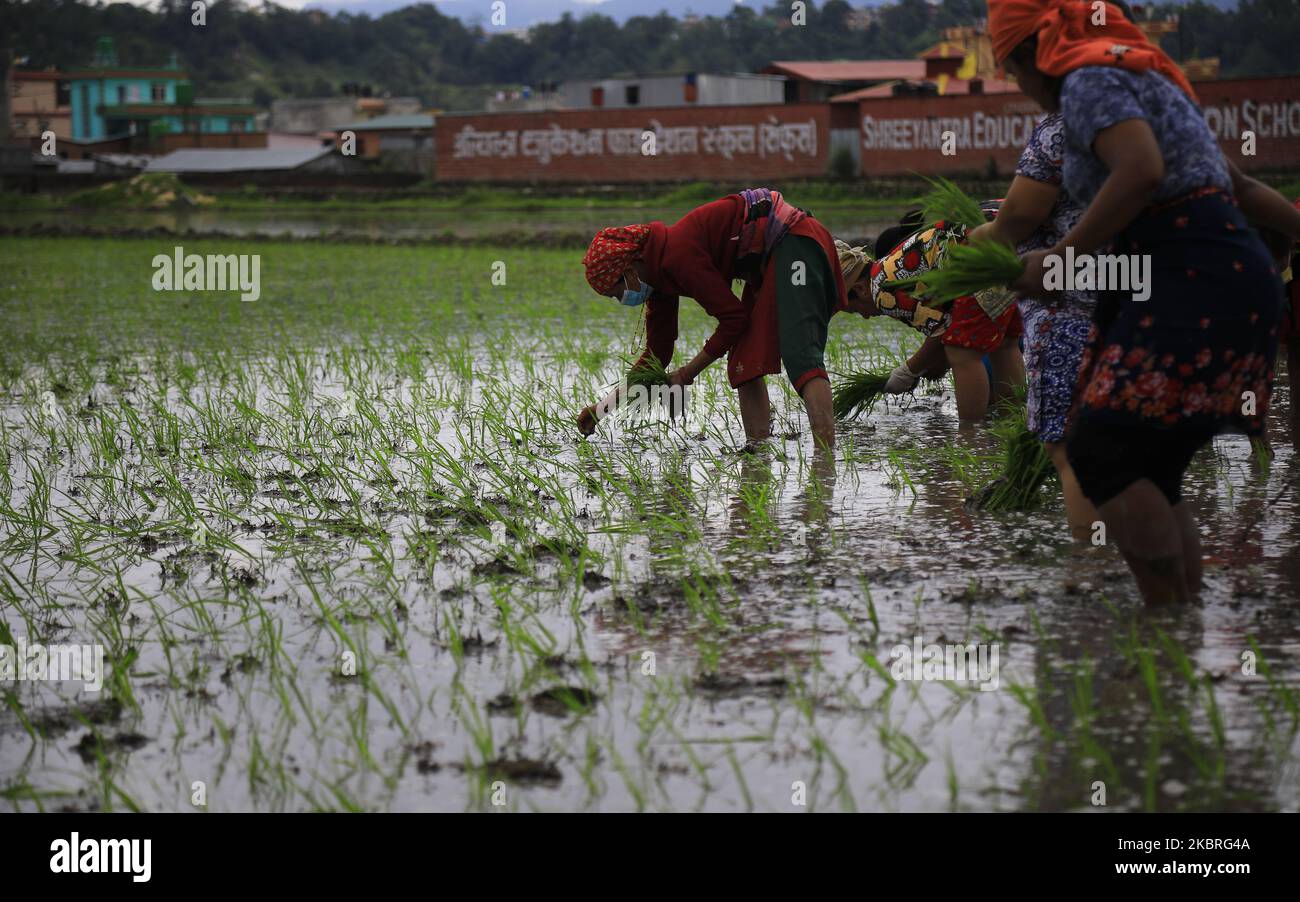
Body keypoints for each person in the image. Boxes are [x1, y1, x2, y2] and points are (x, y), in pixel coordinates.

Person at [989, 0, 1300, 603]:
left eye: (1011, 70)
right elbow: (1242, 187)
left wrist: (1058, 259)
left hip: (1195, 277)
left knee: (1099, 451)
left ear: (1033, 54)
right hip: (1233, 277)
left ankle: (1165, 617)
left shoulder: (1087, 82)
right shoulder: (1139, 79)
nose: (1019, 86)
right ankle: (1176, 628)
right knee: (1152, 464)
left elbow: (1141, 172)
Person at [575, 188, 847, 448]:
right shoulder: (659, 282)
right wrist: (602, 409)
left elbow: (734, 319)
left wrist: (686, 373)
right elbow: (656, 356)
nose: (620, 300)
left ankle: (825, 459)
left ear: (630, 270)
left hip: (795, 242)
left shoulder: (677, 256)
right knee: (744, 362)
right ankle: (758, 451)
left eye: (616, 293)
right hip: (768, 262)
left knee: (801, 356)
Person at [967, 109, 1100, 540]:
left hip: (1071, 305)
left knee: (1070, 448)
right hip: (1137, 293)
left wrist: (972, 245)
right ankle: (1160, 588)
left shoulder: (1060, 128)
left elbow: (1016, 220)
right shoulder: (1148, 115)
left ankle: (1092, 569)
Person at [840, 209, 1025, 420]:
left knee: (962, 351)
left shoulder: (881, 291)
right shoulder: (887, 270)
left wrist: (909, 370)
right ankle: (1011, 424)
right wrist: (925, 367)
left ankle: (971, 437)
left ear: (860, 289)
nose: (863, 316)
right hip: (1003, 239)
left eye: (854, 309)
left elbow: (942, 331)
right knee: (1004, 343)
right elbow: (945, 326)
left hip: (978, 251)